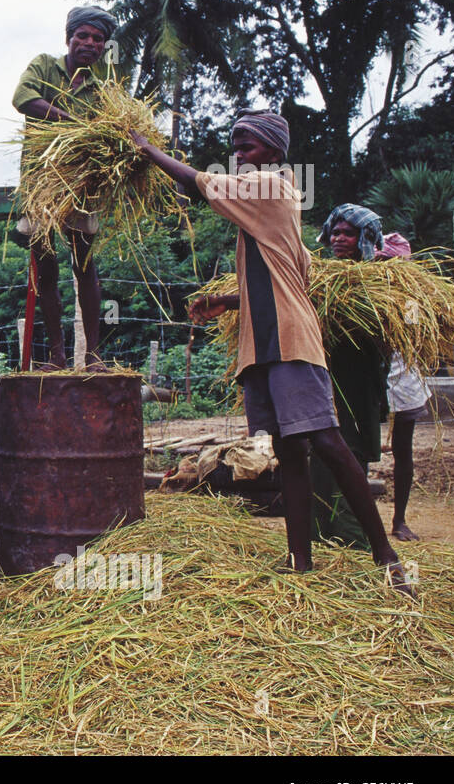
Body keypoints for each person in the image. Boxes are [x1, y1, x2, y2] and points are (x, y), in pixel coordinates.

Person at [131, 110, 410, 592]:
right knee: (289, 450)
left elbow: (198, 183)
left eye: (249, 145)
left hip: (291, 342)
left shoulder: (272, 186)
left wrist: (148, 150)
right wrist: (227, 300)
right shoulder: (262, 212)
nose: (239, 154)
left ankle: (387, 556)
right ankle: (299, 561)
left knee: (328, 443)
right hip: (262, 345)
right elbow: (288, 278)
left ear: (276, 154)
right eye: (235, 145)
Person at [10, 5, 118, 369]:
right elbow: (23, 98)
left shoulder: (104, 89)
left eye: (98, 39)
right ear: (69, 38)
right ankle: (56, 355)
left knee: (84, 265)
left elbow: (111, 133)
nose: (89, 43)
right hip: (40, 182)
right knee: (46, 265)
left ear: (104, 46)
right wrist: (73, 123)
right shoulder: (44, 65)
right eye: (82, 36)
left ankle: (92, 355)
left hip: (82, 185)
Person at [311, 204, 390, 549]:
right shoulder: (318, 275)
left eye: (348, 233)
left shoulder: (381, 280)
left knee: (352, 448)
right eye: (336, 232)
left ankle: (352, 536)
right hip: (324, 372)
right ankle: (318, 530)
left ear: (365, 239)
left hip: (360, 378)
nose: (339, 238)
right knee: (319, 447)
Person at [375, 232, 428, 541]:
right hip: (366, 381)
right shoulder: (359, 291)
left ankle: (399, 520)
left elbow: (413, 337)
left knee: (403, 452)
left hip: (402, 377)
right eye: (382, 262)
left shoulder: (411, 298)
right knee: (358, 446)